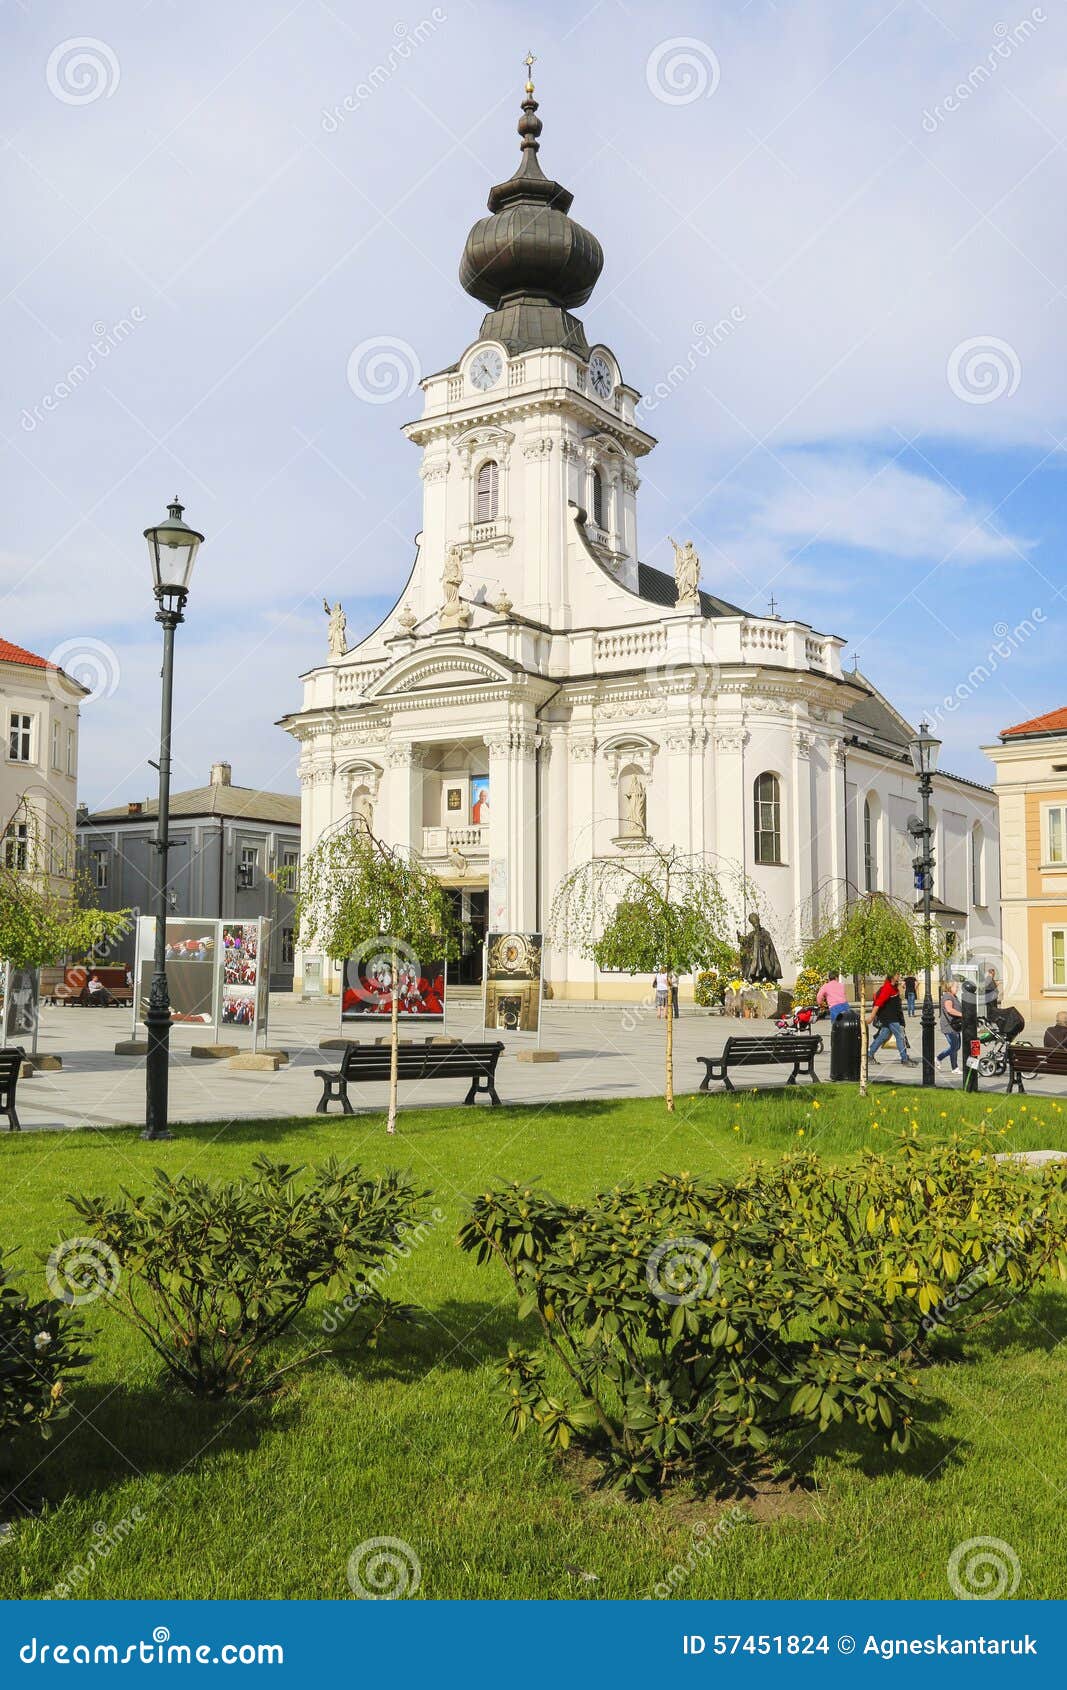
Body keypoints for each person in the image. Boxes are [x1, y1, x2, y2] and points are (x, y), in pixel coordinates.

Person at [868, 973, 912, 1065]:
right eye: (897, 975)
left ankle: (869, 1054)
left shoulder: (893, 988)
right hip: (889, 1018)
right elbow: (878, 1003)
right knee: (900, 1036)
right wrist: (871, 1017)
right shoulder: (887, 988)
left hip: (892, 1017)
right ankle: (904, 1059)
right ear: (892, 977)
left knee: (883, 1036)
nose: (899, 976)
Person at [938, 981, 962, 1070]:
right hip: (948, 1025)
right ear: (950, 987)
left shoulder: (954, 996)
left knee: (956, 1046)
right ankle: (939, 1058)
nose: (957, 988)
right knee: (954, 1046)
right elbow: (950, 1010)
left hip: (955, 1025)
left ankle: (954, 1068)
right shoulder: (947, 996)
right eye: (956, 987)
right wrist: (963, 1015)